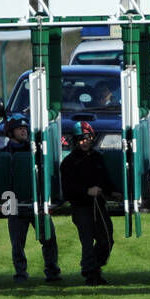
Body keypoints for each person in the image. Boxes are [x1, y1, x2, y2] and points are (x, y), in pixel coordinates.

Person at [0, 113, 61, 284]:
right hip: (13, 202)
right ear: (10, 132)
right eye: (19, 128)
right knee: (17, 243)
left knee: (49, 238)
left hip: (36, 200)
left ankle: (52, 272)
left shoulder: (36, 149)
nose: (23, 130)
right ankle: (21, 274)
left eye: (25, 128)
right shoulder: (2, 152)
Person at [59, 121, 116, 285]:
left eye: (88, 138)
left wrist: (113, 192)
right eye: (81, 139)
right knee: (87, 241)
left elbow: (105, 180)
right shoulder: (69, 162)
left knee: (107, 240)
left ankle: (93, 267)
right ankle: (91, 273)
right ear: (76, 141)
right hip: (80, 207)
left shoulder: (98, 157)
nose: (85, 142)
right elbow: (68, 189)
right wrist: (86, 191)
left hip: (99, 205)